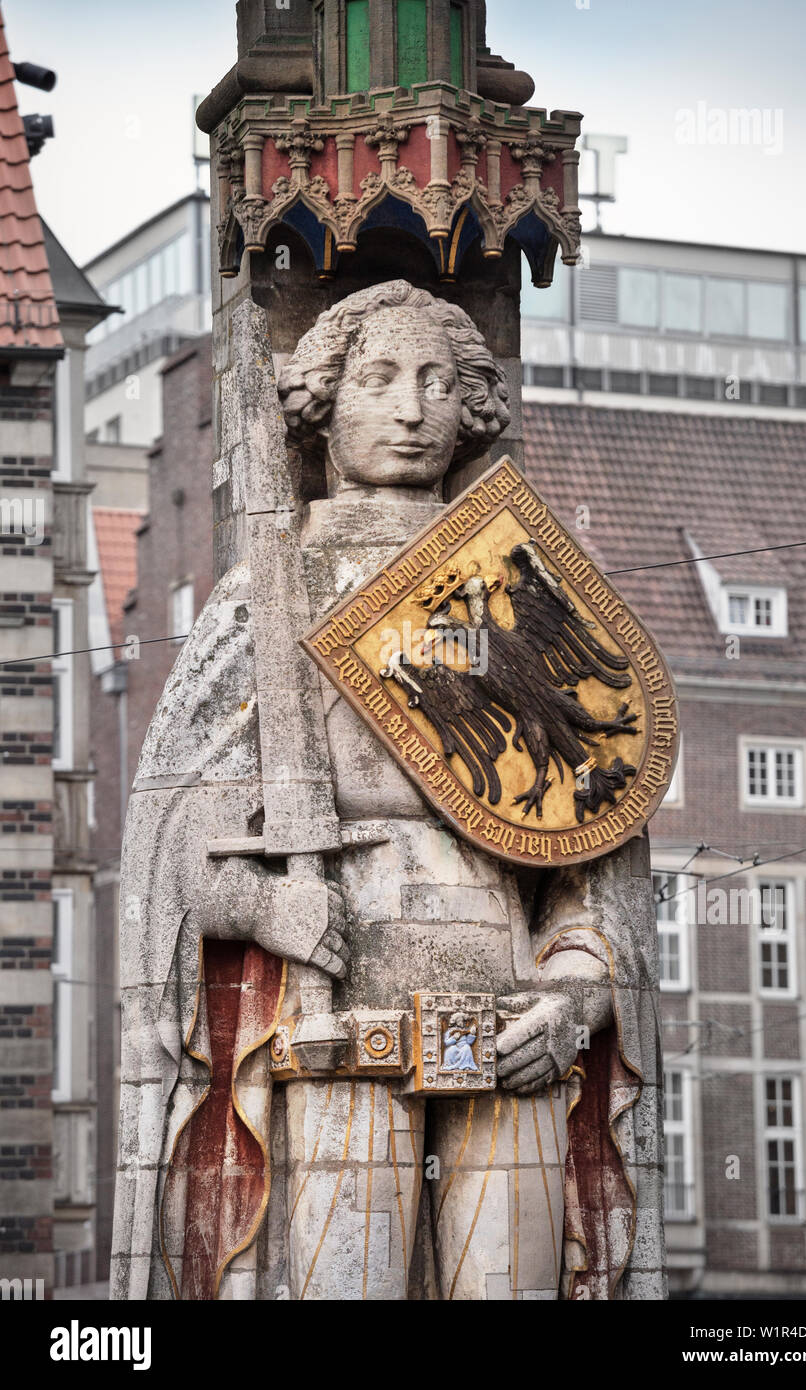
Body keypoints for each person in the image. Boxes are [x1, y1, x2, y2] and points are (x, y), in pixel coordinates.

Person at [112, 281, 665, 1301]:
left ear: (472, 406)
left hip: (514, 1021)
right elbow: (178, 837)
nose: (411, 408)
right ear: (325, 398)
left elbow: (596, 855)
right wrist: (271, 904)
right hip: (337, 1020)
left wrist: (577, 996)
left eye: (437, 380)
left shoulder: (523, 587)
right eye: (378, 378)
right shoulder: (270, 590)